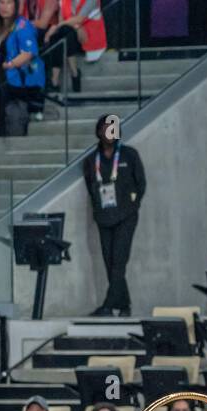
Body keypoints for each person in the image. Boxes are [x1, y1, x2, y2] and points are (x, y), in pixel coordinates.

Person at [82, 113, 146, 317]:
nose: (109, 133)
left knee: (119, 260)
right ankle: (124, 305)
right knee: (110, 262)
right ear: (99, 132)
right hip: (104, 217)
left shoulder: (129, 155)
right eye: (105, 128)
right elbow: (91, 188)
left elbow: (141, 184)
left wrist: (132, 204)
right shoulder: (91, 160)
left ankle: (108, 305)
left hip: (126, 216)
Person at [0, 0, 45, 136]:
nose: (4, 7)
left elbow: (28, 53)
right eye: (2, 3)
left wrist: (8, 65)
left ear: (15, 6)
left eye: (9, 3)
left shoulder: (23, 25)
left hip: (17, 80)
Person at [43, 0, 106, 94]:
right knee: (58, 35)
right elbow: (61, 21)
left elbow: (79, 19)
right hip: (73, 33)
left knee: (65, 31)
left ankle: (55, 82)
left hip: (89, 36)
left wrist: (66, 25)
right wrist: (50, 33)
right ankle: (72, 73)